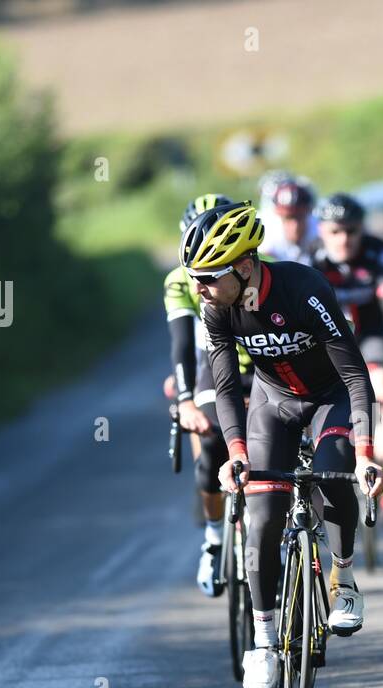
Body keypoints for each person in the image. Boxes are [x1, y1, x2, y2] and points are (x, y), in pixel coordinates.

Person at [183, 201, 383, 688]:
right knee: (263, 514)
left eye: (209, 277)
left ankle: (344, 578)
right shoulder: (216, 308)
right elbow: (228, 387)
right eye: (196, 278)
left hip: (330, 398)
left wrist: (365, 451)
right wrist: (235, 451)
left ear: (246, 266)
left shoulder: (304, 288)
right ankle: (264, 640)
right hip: (272, 405)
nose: (201, 289)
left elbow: (356, 374)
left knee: (334, 467)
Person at [163, 193, 255, 597]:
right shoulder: (179, 281)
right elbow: (182, 344)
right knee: (211, 437)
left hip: (262, 368)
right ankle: (214, 539)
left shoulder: (254, 271)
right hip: (212, 371)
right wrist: (184, 399)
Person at [311, 192, 383, 525]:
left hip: (371, 334)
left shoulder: (379, 251)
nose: (344, 239)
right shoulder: (311, 257)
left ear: (361, 229)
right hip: (326, 338)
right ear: (322, 231)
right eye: (335, 231)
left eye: (351, 231)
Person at [258, 172, 318, 264]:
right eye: (288, 218)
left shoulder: (320, 229)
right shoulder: (264, 235)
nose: (295, 226)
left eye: (299, 217)